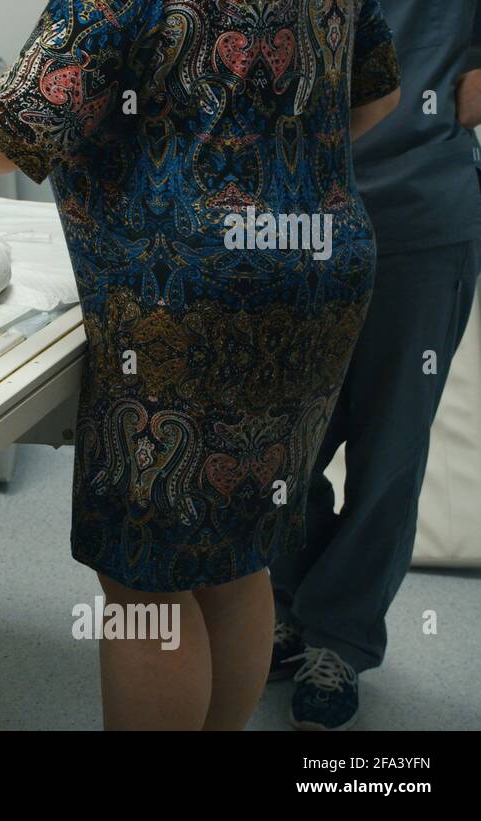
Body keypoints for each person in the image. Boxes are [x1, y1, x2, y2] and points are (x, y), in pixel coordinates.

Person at [0, 0, 400, 729]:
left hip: (190, 293)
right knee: (239, 550)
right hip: (320, 263)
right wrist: (270, 167)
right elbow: (376, 91)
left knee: (145, 584)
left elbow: (19, 120)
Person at [269, 1, 481, 731]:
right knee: (278, 446)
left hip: (418, 222)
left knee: (389, 453)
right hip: (290, 217)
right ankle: (293, 606)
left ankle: (339, 638)